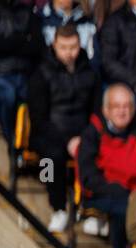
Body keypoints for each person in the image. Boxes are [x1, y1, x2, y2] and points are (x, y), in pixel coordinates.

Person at [28, 25, 98, 234]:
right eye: (63, 47)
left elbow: (95, 112)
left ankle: (93, 210)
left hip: (82, 133)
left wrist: (84, 137)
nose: (69, 52)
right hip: (50, 134)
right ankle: (57, 207)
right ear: (54, 46)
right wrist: (67, 140)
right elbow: (38, 118)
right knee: (50, 161)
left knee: (99, 153)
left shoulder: (90, 73)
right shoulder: (40, 73)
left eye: (73, 47)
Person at [78, 84, 136, 248]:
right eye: (117, 106)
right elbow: (88, 176)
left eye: (127, 106)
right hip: (102, 193)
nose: (123, 111)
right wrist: (121, 190)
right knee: (124, 209)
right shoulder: (92, 133)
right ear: (106, 110)